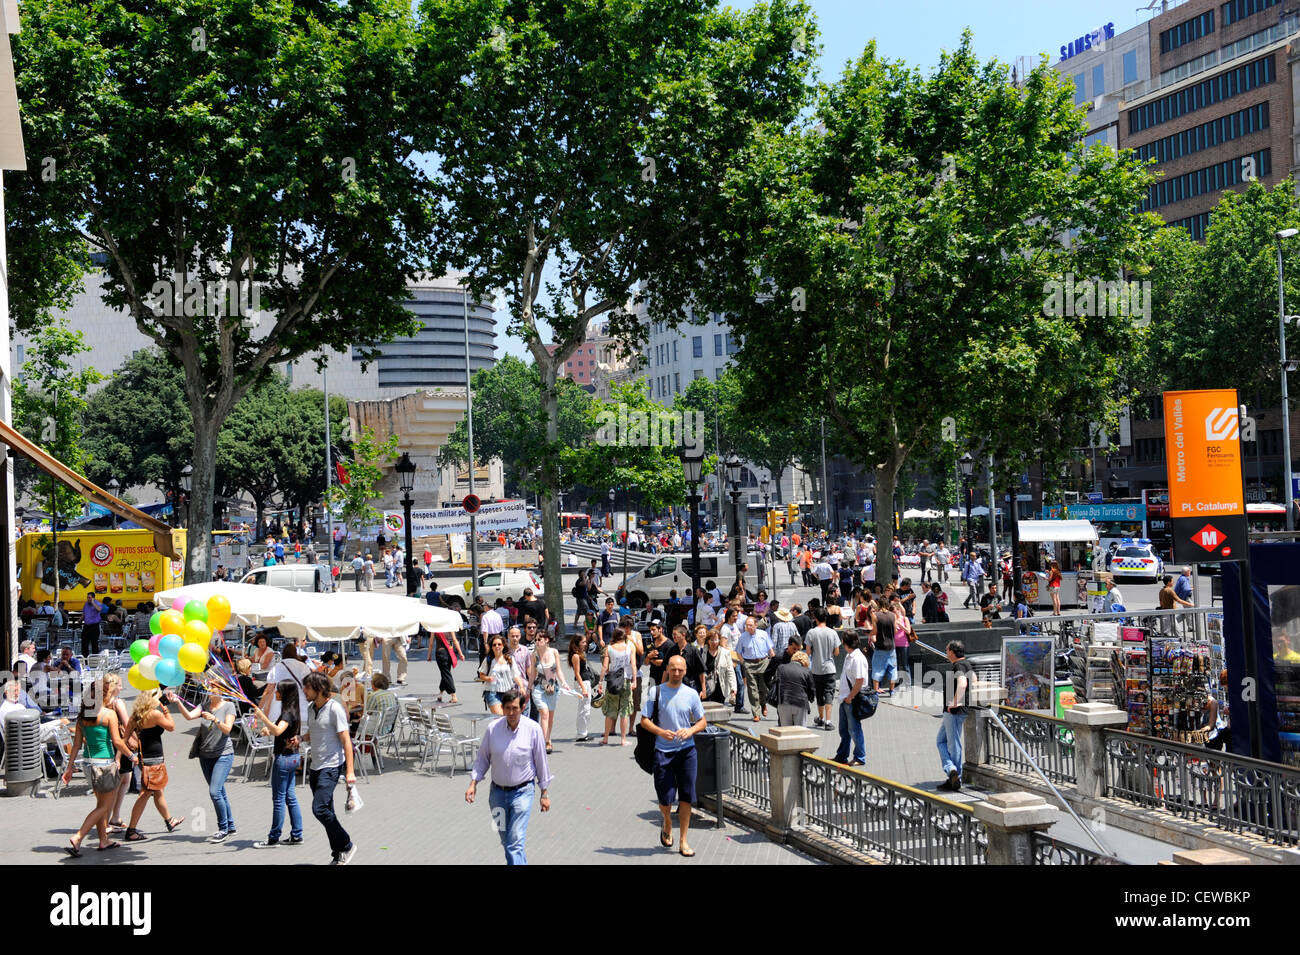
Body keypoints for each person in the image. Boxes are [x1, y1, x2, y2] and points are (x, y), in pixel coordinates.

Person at [465, 690, 552, 866]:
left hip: (522, 793)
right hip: (497, 795)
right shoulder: (493, 729)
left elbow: (541, 763)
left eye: (515, 708)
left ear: (523, 708)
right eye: (507, 709)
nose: (511, 713)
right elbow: (483, 758)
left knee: (515, 843)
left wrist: (544, 793)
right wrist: (473, 783)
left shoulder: (533, 730)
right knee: (507, 842)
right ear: (502, 709)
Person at [639, 654, 707, 858]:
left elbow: (702, 721)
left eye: (681, 670)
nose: (677, 673)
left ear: (685, 671)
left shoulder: (692, 694)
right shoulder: (655, 692)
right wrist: (660, 731)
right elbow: (644, 720)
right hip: (663, 752)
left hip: (687, 752)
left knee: (686, 797)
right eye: (673, 669)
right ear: (667, 669)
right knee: (665, 798)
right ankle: (667, 821)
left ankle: (683, 840)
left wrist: (691, 731)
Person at [62, 675, 135, 856]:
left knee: (100, 803)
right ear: (103, 696)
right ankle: (78, 836)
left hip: (88, 764)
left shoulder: (83, 717)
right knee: (103, 807)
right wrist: (131, 755)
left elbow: (77, 745)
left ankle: (104, 840)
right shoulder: (108, 714)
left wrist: (70, 768)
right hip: (104, 764)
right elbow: (117, 741)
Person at [301, 671, 357, 865]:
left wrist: (349, 771)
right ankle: (338, 853)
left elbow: (346, 741)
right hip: (315, 766)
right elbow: (313, 732)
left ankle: (347, 845)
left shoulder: (335, 709)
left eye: (307, 687)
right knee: (328, 811)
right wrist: (300, 739)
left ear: (319, 689)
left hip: (331, 766)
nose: (304, 691)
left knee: (320, 809)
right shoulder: (310, 708)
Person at [170, 685, 237, 841]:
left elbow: (227, 729)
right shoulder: (204, 705)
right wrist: (178, 702)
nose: (210, 691)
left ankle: (223, 829)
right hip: (205, 755)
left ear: (221, 691)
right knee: (220, 792)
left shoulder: (229, 706)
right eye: (209, 688)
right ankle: (231, 825)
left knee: (214, 792)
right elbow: (188, 716)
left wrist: (214, 719)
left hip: (223, 755)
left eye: (213, 688)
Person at [247, 678, 306, 847]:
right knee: (290, 797)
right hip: (294, 757)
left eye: (279, 691)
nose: (276, 694)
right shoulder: (293, 710)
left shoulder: (287, 712)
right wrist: (270, 729)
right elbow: (280, 730)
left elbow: (279, 729)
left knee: (279, 799)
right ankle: (297, 834)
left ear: (285, 693)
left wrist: (263, 717)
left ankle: (274, 837)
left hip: (284, 758)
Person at [124, 689, 183, 841]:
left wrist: (125, 756)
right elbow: (171, 726)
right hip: (154, 760)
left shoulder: (136, 716)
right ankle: (131, 830)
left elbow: (124, 738)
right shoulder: (155, 714)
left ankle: (169, 820)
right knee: (145, 794)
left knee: (158, 792)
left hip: (144, 758)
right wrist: (166, 709)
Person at [936, 640, 972, 791]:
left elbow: (963, 683)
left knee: (952, 743)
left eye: (946, 649)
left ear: (951, 651)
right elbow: (974, 681)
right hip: (953, 712)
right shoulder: (967, 664)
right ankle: (952, 771)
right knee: (941, 740)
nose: (946, 652)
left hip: (954, 712)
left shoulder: (958, 666)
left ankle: (955, 775)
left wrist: (955, 702)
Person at [530, 631, 571, 754]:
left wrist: (564, 683)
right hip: (538, 687)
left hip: (553, 687)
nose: (537, 642)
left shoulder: (554, 652)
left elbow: (558, 670)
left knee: (550, 716)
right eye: (536, 640)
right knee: (544, 713)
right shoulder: (534, 654)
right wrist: (528, 687)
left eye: (539, 639)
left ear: (546, 640)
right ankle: (544, 742)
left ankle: (548, 738)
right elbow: (533, 673)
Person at [833, 630, 869, 767]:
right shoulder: (850, 656)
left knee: (854, 729)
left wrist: (850, 697)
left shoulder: (857, 658)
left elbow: (860, 681)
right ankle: (842, 755)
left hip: (851, 699)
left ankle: (860, 757)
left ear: (845, 642)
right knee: (844, 730)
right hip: (845, 699)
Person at [599, 626, 637, 745]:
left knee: (610, 709)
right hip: (626, 680)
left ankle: (605, 738)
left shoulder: (609, 649)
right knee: (625, 711)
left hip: (613, 682)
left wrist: (600, 681)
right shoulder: (630, 647)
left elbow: (605, 667)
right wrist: (634, 680)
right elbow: (633, 665)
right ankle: (623, 739)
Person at [803, 608, 839, 730]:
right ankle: (828, 721)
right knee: (829, 693)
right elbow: (837, 652)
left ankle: (821, 717)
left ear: (816, 618)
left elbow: (808, 652)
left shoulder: (811, 633)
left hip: (816, 668)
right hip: (830, 668)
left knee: (819, 693)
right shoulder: (832, 632)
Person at [735, 616, 775, 723]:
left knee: (763, 688)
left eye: (750, 625)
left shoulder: (763, 634)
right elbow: (738, 652)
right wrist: (744, 663)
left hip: (763, 662)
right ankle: (756, 713)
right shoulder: (742, 637)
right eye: (747, 625)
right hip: (749, 664)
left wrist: (774, 662)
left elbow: (770, 649)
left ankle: (763, 704)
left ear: (756, 625)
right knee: (752, 690)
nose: (748, 627)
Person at [477, 634, 526, 716]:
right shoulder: (488, 659)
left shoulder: (510, 659)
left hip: (508, 693)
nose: (497, 646)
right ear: (491, 647)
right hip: (492, 692)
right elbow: (481, 675)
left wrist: (521, 687)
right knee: (500, 717)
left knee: (508, 718)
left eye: (499, 644)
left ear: (503, 646)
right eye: (494, 645)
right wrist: (488, 678)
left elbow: (516, 675)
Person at [772, 638, 815, 727]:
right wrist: (811, 698)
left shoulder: (781, 668)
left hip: (783, 702)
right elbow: (811, 689)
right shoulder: (806, 671)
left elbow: (775, 682)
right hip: (800, 703)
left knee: (786, 731)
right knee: (800, 732)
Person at [699, 628, 737, 707]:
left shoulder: (725, 653)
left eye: (716, 640)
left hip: (720, 686)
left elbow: (730, 671)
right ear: (708, 640)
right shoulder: (702, 652)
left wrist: (733, 688)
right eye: (712, 640)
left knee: (719, 709)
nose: (714, 642)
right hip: (707, 685)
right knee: (706, 709)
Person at [568, 632, 595, 742]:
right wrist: (583, 688)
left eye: (585, 642)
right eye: (583, 642)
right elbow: (577, 673)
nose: (585, 644)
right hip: (582, 683)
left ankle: (583, 732)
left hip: (585, 682)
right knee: (584, 709)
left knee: (585, 708)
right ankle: (581, 733)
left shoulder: (581, 653)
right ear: (577, 643)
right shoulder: (575, 656)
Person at [431, 629, 463, 704]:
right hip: (449, 653)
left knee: (446, 673)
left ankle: (453, 695)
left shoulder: (434, 628)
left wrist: (429, 655)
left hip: (440, 652)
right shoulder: (449, 627)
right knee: (445, 672)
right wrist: (460, 653)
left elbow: (431, 643)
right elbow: (455, 640)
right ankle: (440, 694)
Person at [871, 602, 897, 694]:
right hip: (891, 647)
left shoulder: (875, 615)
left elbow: (874, 630)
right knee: (892, 669)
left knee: (877, 668)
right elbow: (895, 630)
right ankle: (892, 690)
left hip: (880, 646)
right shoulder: (893, 615)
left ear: (879, 605)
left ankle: (876, 690)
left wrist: (869, 634)